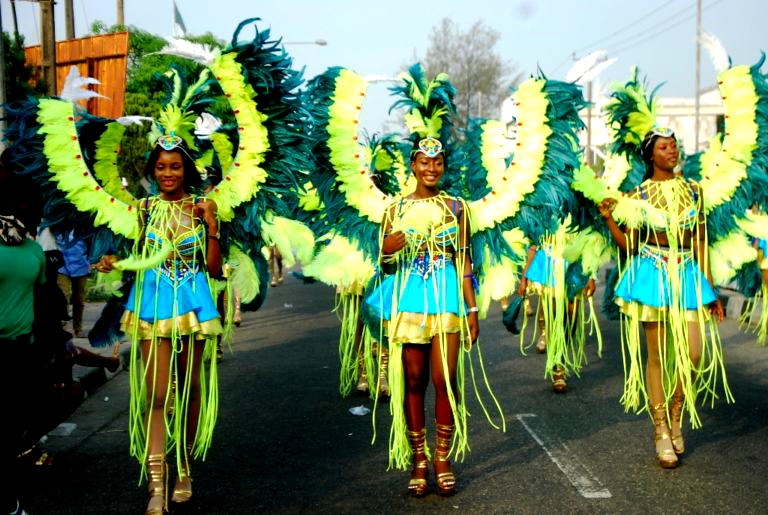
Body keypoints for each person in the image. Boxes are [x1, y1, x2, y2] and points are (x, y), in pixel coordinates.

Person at [96, 136, 222, 513]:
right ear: (152, 170)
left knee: (189, 389)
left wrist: (212, 224)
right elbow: (132, 254)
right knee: (156, 394)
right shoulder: (145, 208)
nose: (167, 173)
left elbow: (214, 268)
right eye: (161, 167)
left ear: (186, 169)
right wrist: (111, 261)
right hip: (152, 303)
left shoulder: (201, 206)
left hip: (194, 301)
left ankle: (184, 467)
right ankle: (156, 484)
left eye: (175, 166)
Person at [599, 128, 727, 469]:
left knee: (694, 354)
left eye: (674, 145)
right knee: (656, 356)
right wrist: (610, 218)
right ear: (650, 156)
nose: (672, 151)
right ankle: (660, 431)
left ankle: (676, 414)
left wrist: (709, 288)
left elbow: (700, 240)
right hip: (652, 273)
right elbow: (629, 245)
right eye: (664, 147)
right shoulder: (637, 194)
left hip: (687, 274)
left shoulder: (694, 190)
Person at [367, 136, 479, 496]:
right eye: (424, 162)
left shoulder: (457, 208)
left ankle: (442, 459)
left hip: (447, 297)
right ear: (413, 165)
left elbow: (464, 260)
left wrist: (472, 308)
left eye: (438, 162)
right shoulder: (394, 209)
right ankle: (418, 459)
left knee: (444, 378)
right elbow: (384, 266)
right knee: (413, 379)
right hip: (410, 297)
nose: (432, 169)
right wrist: (385, 250)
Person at [0, 162, 45, 515]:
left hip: (19, 352)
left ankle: (10, 501)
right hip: (11, 351)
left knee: (9, 431)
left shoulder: (34, 251)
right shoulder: (31, 251)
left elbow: (40, 300)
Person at [55, 231, 91, 338]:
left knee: (79, 299)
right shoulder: (58, 220)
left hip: (81, 264)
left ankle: (78, 329)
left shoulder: (84, 223)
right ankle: (61, 328)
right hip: (62, 264)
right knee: (63, 297)